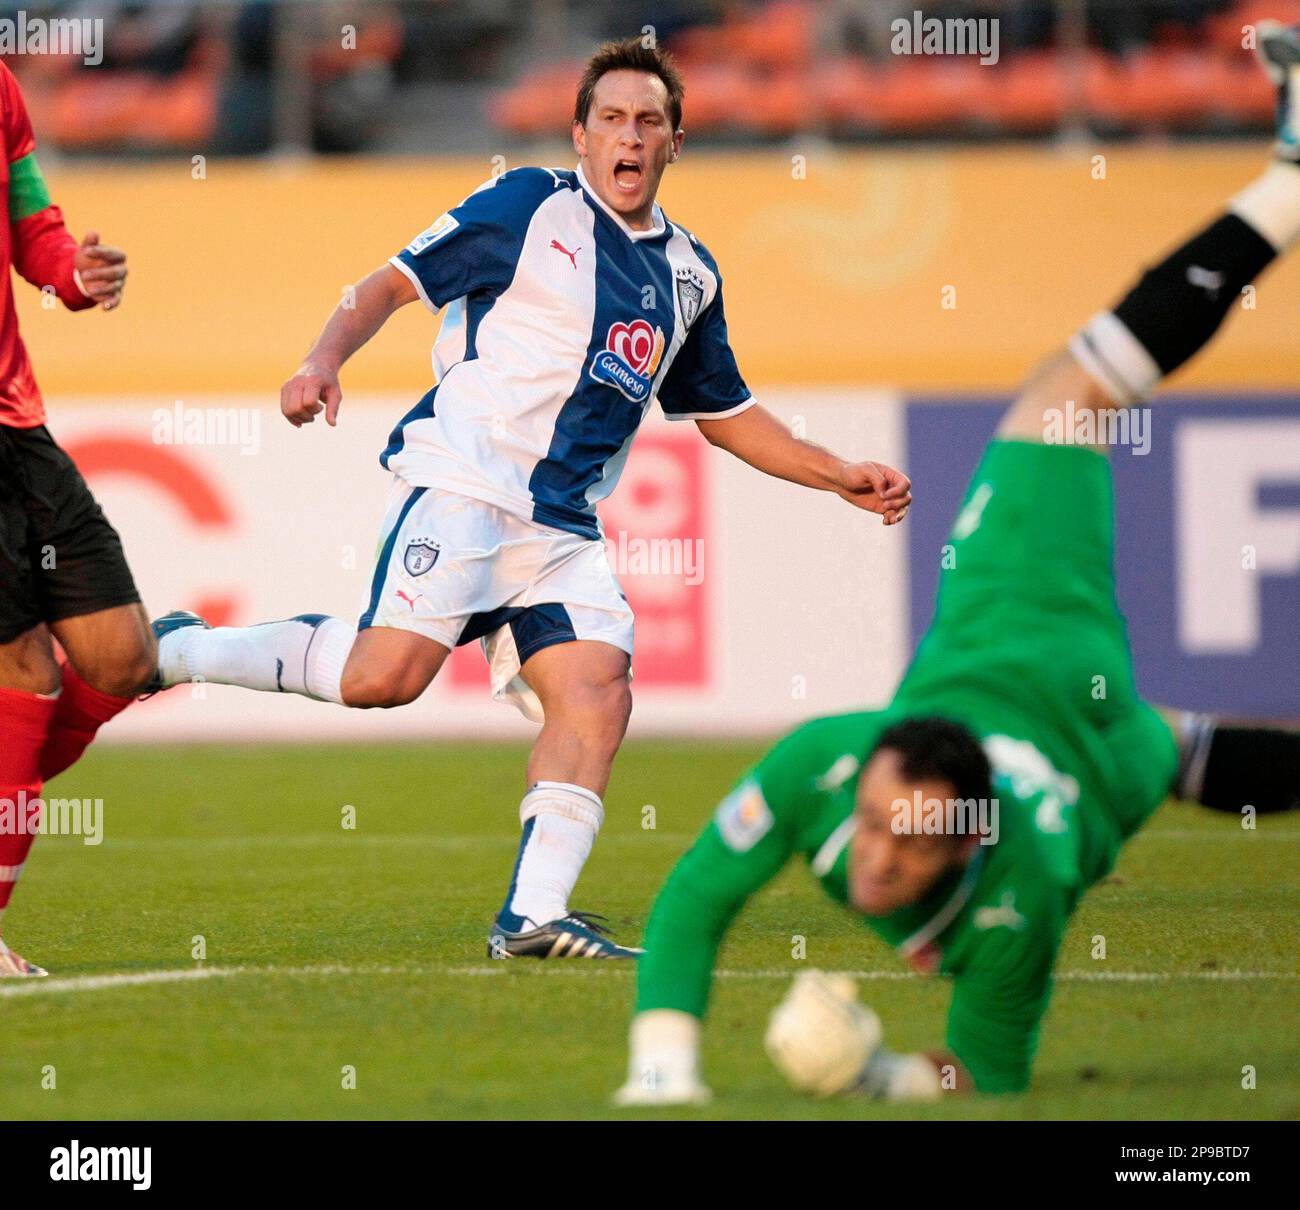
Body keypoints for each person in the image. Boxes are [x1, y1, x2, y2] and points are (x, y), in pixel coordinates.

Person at [615, 21, 1300, 1102]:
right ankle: (1291, 180)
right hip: (1069, 722)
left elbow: (973, 1071)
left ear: (970, 841)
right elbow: (699, 896)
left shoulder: (1013, 901)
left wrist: (876, 1072)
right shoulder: (834, 765)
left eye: (902, 841)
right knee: (1146, 732)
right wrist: (665, 1079)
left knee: (1074, 419)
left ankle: (1291, 182)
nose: (875, 854)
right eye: (881, 820)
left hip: (1034, 656)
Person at [148, 37, 912, 960]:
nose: (631, 138)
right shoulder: (528, 205)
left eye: (651, 122)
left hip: (562, 529)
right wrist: (321, 358)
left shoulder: (690, 274)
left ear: (677, 144)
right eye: (613, 120)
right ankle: (181, 648)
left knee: (598, 687)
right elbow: (389, 284)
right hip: (467, 484)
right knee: (380, 680)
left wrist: (840, 476)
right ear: (581, 136)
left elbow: (726, 412)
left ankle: (532, 917)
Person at [0, 62, 142, 977]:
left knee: (120, 657)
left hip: (16, 420)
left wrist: (73, 275)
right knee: (23, 671)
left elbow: (30, 223)